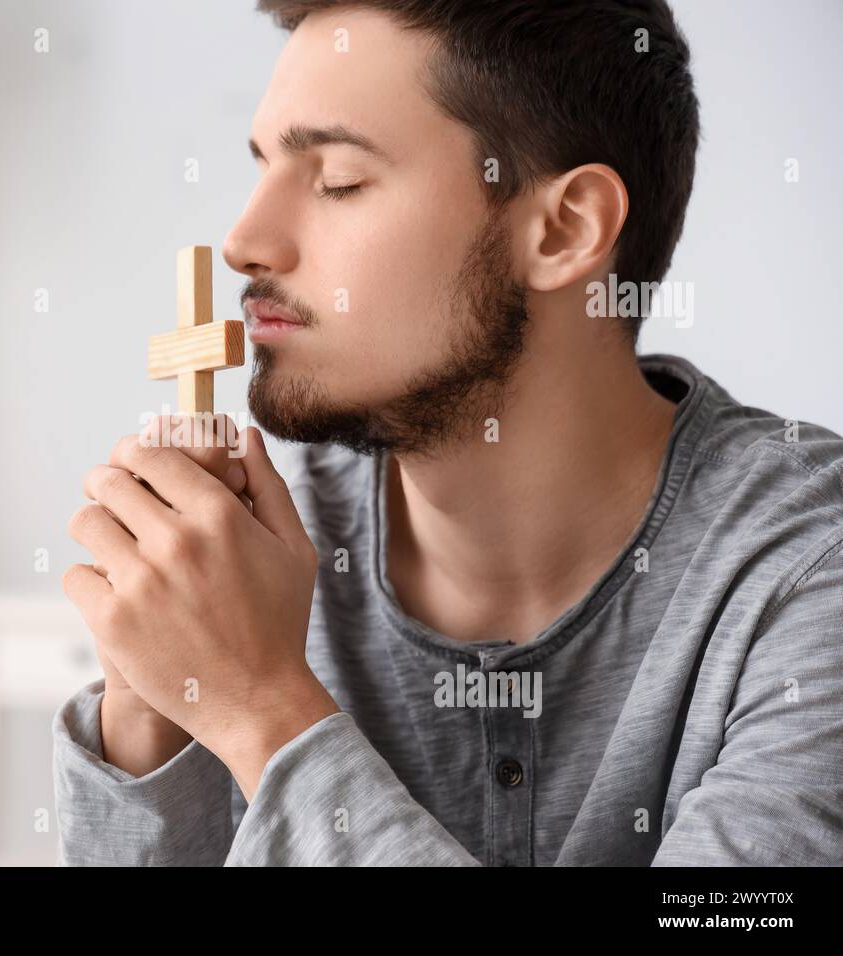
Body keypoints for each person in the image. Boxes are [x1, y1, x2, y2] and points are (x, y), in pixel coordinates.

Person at [53, 0, 843, 865]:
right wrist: (149, 722)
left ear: (565, 228)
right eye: (262, 168)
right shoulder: (254, 551)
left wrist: (263, 712)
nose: (244, 242)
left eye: (339, 181)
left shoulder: (808, 571)